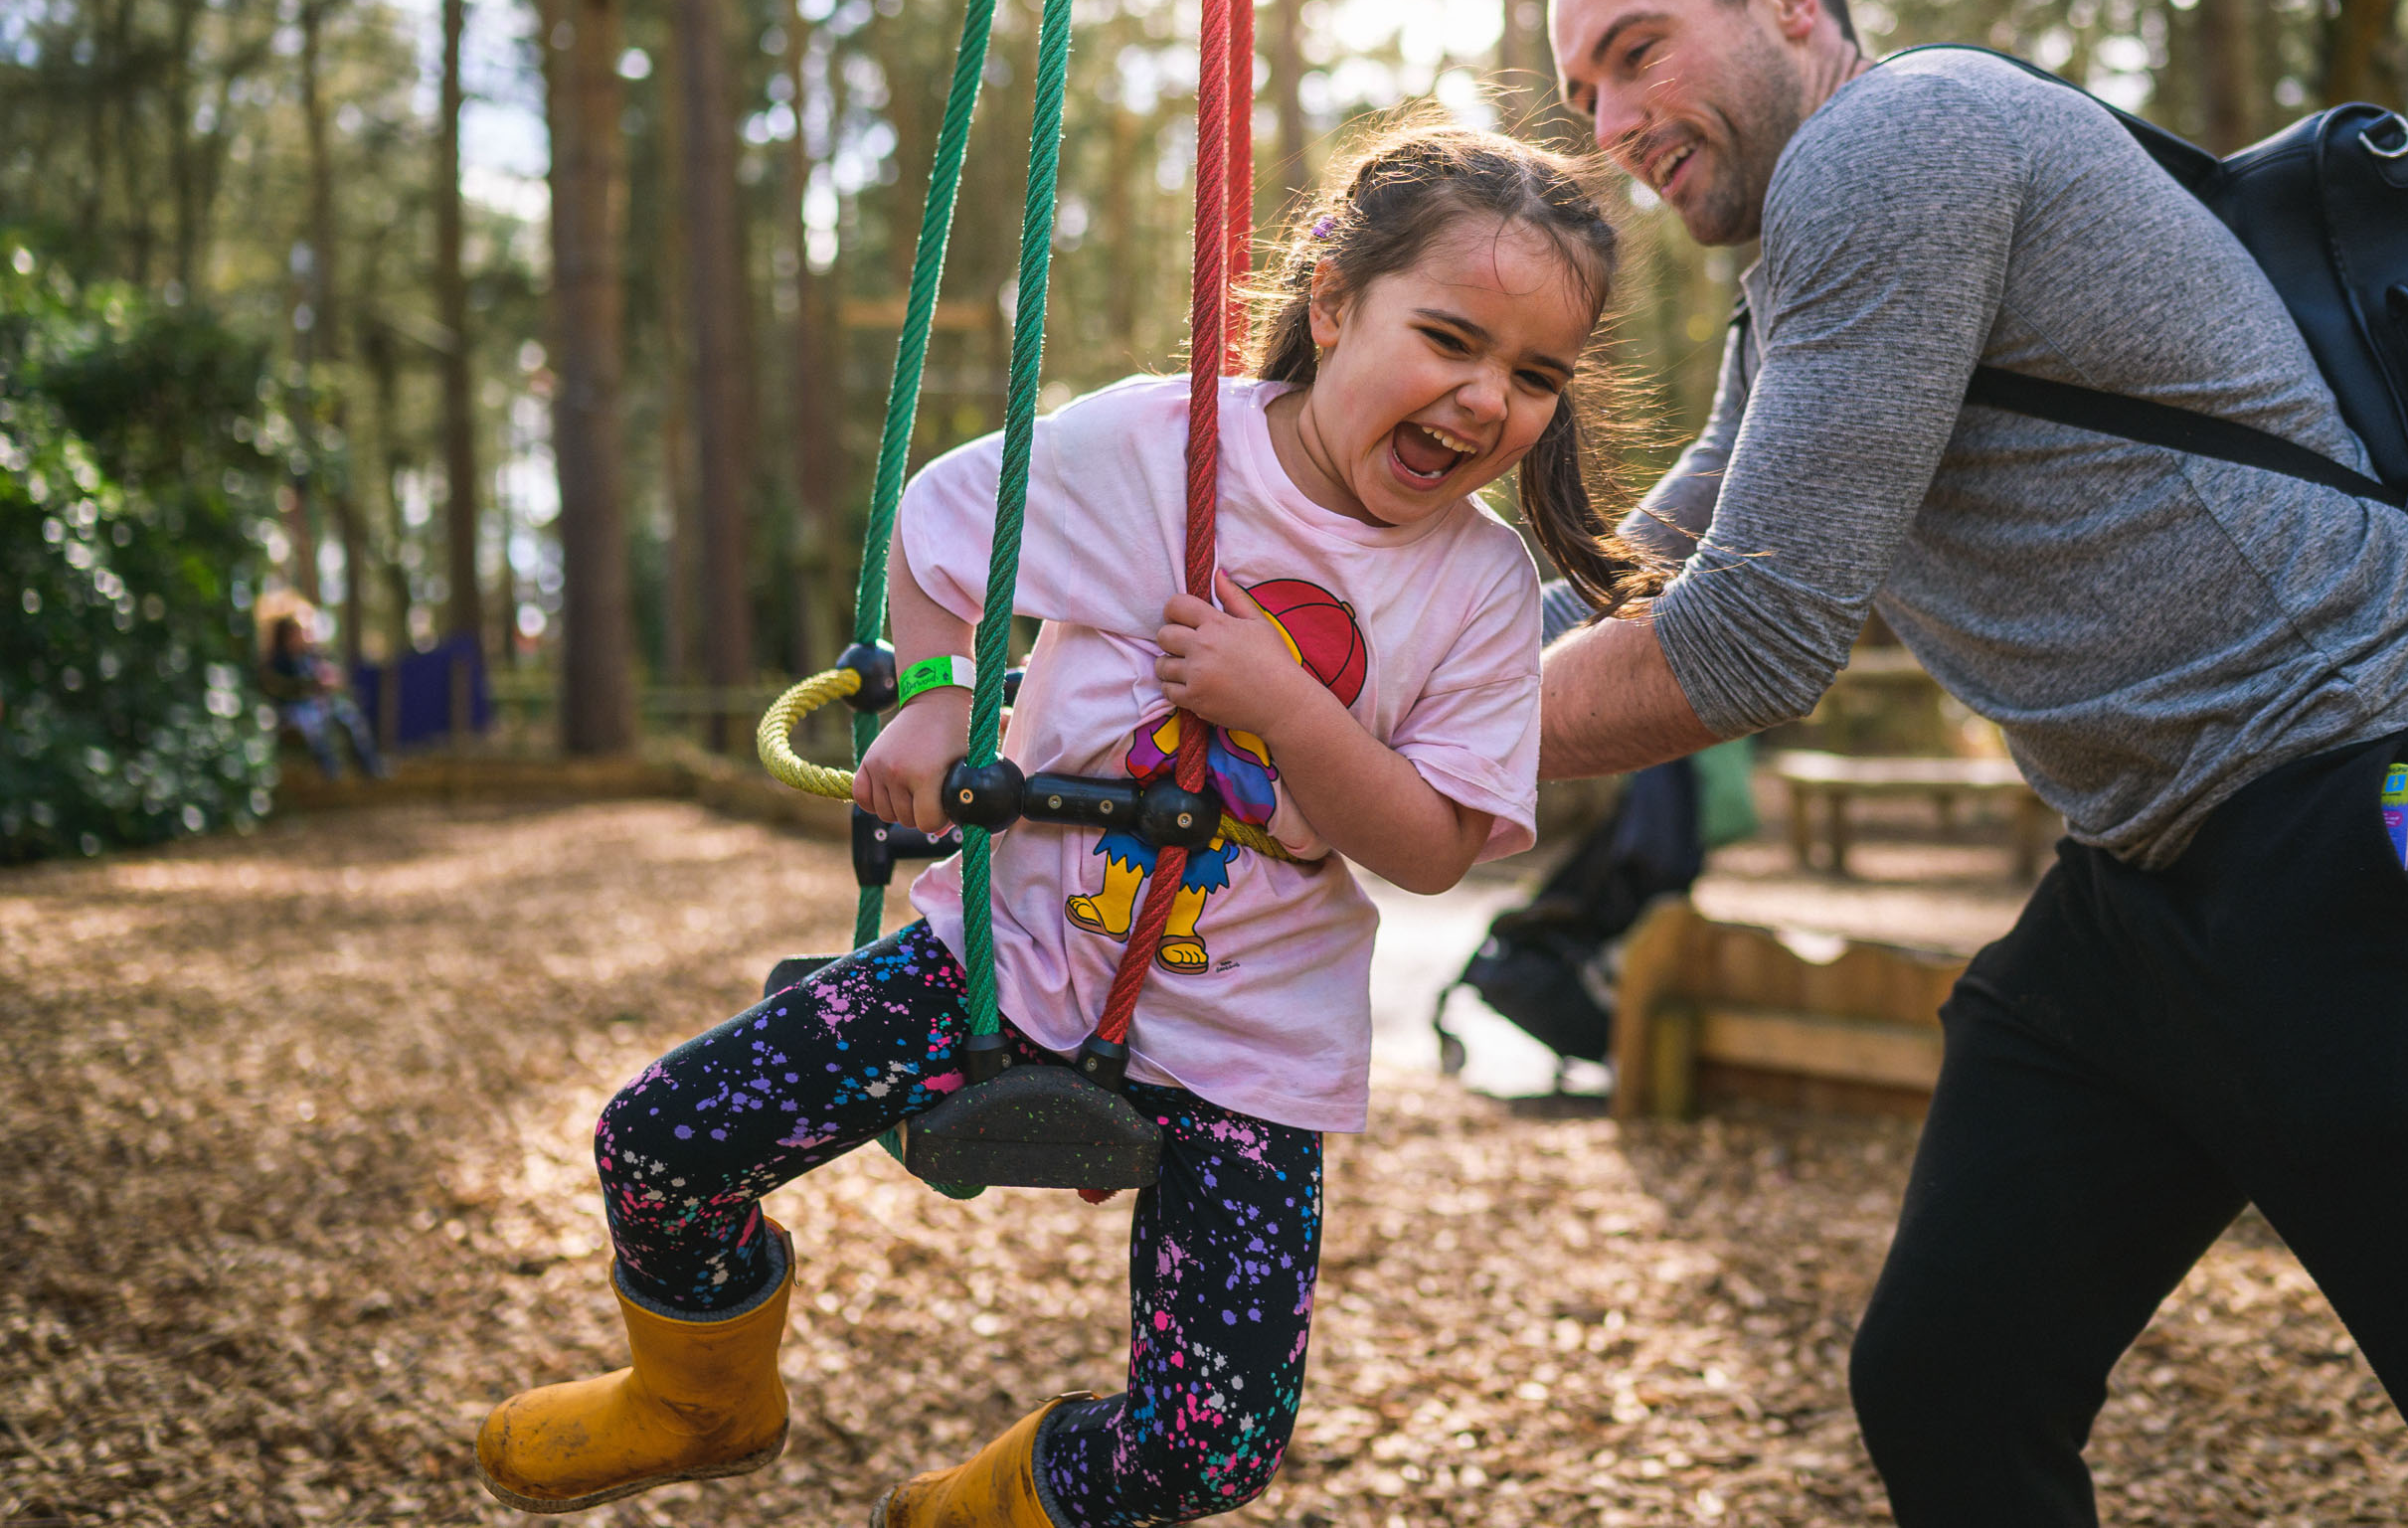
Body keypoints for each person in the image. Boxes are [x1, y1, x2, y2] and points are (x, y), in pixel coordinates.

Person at [1528, 0, 2408, 1526]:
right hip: (2163, 872)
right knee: (1952, 1381)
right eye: (1580, 88)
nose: (1613, 117)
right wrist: (1383, 617)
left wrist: (1378, 743)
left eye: (1637, 49)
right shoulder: (1810, 257)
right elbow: (1673, 531)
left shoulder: (1893, 145)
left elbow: (1749, 641)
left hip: (2384, 805)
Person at [472, 122, 1653, 1525]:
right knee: (656, 1145)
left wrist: (1285, 707)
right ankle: (699, 1394)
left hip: (1246, 1042)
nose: (1483, 401)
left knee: (1215, 1443)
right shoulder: (1162, 452)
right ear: (1333, 302)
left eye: (1533, 376)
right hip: (1010, 959)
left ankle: (987, 1508)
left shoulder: (1470, 583)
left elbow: (1432, 847)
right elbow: (937, 524)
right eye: (1450, 338)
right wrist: (930, 696)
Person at [258, 600, 385, 780]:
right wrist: (309, 685)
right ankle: (331, 773)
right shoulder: (277, 662)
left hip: (320, 706)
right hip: (293, 711)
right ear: (286, 636)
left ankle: (369, 765)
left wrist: (330, 681)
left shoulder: (310, 656)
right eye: (296, 634)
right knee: (313, 726)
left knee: (350, 716)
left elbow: (330, 678)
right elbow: (278, 687)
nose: (301, 637)